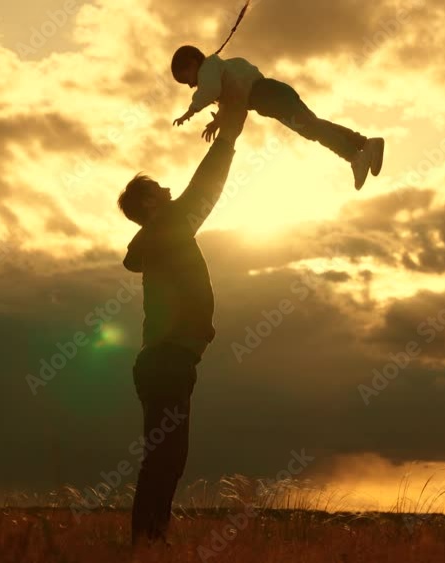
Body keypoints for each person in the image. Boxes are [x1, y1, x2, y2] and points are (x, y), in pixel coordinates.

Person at [117, 105, 247, 546]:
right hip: (168, 360)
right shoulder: (170, 226)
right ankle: (147, 542)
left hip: (162, 361)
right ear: (150, 204)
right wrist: (228, 137)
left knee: (165, 458)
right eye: (159, 188)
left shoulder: (156, 237)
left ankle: (149, 542)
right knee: (165, 458)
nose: (168, 190)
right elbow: (205, 187)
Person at [170, 45, 385, 190]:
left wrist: (191, 111)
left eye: (186, 78)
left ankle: (354, 156)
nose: (190, 85)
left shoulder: (209, 69)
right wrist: (217, 121)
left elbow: (210, 90)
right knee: (315, 126)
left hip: (267, 96)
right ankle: (365, 143)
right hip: (273, 93)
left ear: (193, 63)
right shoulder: (219, 69)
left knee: (313, 129)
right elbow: (228, 100)